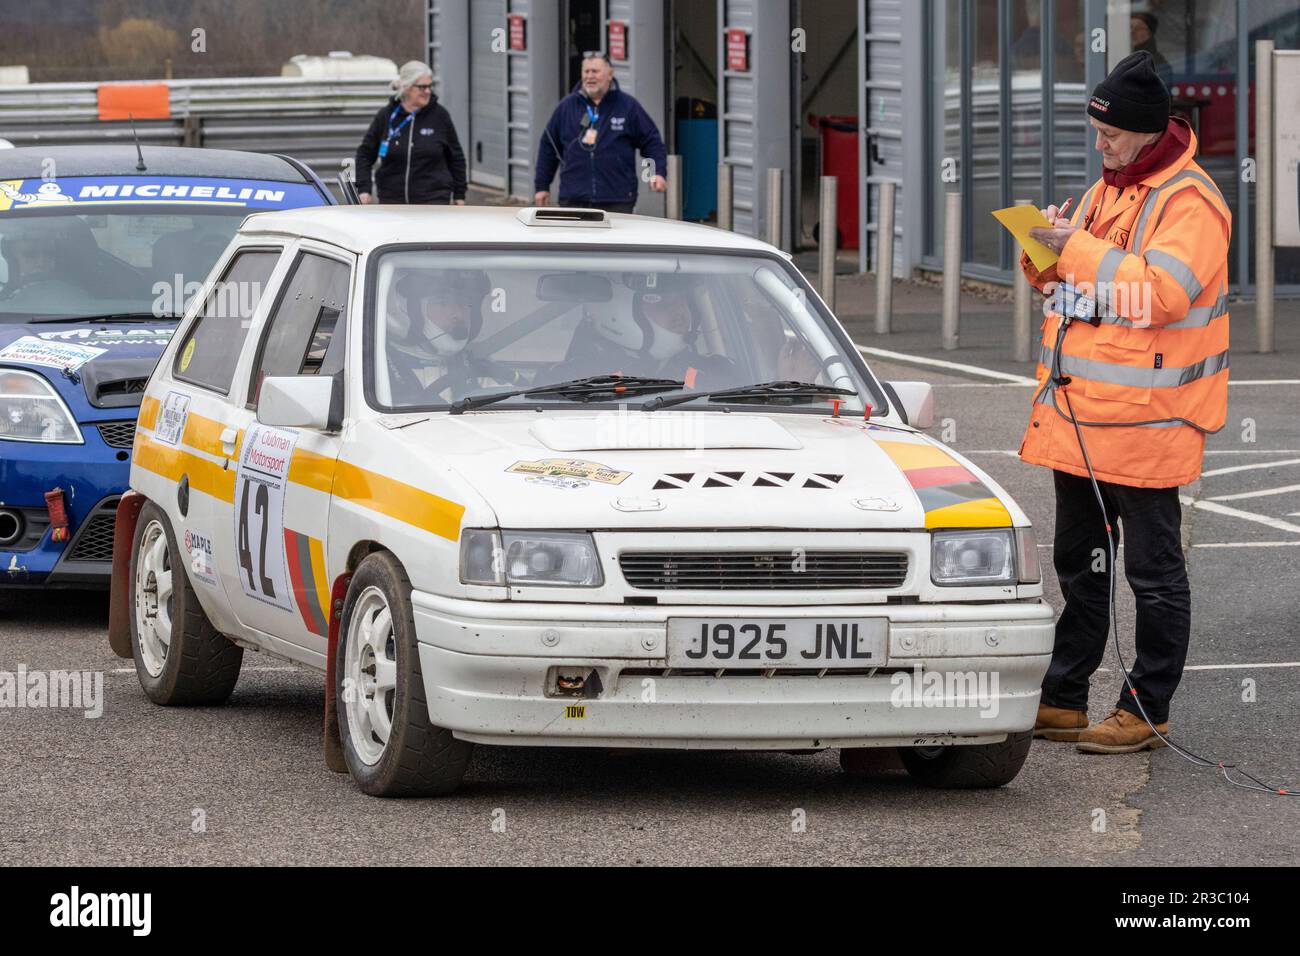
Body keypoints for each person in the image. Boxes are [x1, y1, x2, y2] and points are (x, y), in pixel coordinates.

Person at [1022, 51, 1231, 754]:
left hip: (1147, 422)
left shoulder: (1190, 201)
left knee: (1152, 573)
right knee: (1080, 564)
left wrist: (1074, 246)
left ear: (1146, 132)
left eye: (1109, 133)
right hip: (1080, 415)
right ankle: (1064, 697)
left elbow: (1158, 296)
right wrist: (1043, 249)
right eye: (1096, 130)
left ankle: (1146, 709)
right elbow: (1070, 291)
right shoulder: (1105, 190)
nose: (1099, 143)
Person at [548, 274, 736, 388]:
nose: (679, 311)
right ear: (618, 311)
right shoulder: (572, 383)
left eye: (683, 301)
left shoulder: (717, 374)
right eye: (662, 301)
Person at [533, 53, 668, 213]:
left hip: (617, 199)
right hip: (574, 199)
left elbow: (651, 141)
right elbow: (548, 147)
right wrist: (542, 186)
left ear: (610, 75)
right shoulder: (566, 107)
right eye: (586, 71)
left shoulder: (627, 106)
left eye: (595, 71)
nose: (590, 76)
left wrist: (657, 172)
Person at [355, 61, 467, 206]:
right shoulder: (386, 116)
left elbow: (456, 158)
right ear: (407, 87)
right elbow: (364, 153)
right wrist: (364, 189)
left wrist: (459, 194)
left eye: (429, 86)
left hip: (433, 201)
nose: (427, 91)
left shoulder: (440, 116)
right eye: (422, 87)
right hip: (393, 201)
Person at [384, 269, 505, 403]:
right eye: (442, 302)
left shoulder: (481, 372)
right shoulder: (372, 373)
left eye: (466, 303)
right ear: (403, 309)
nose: (459, 314)